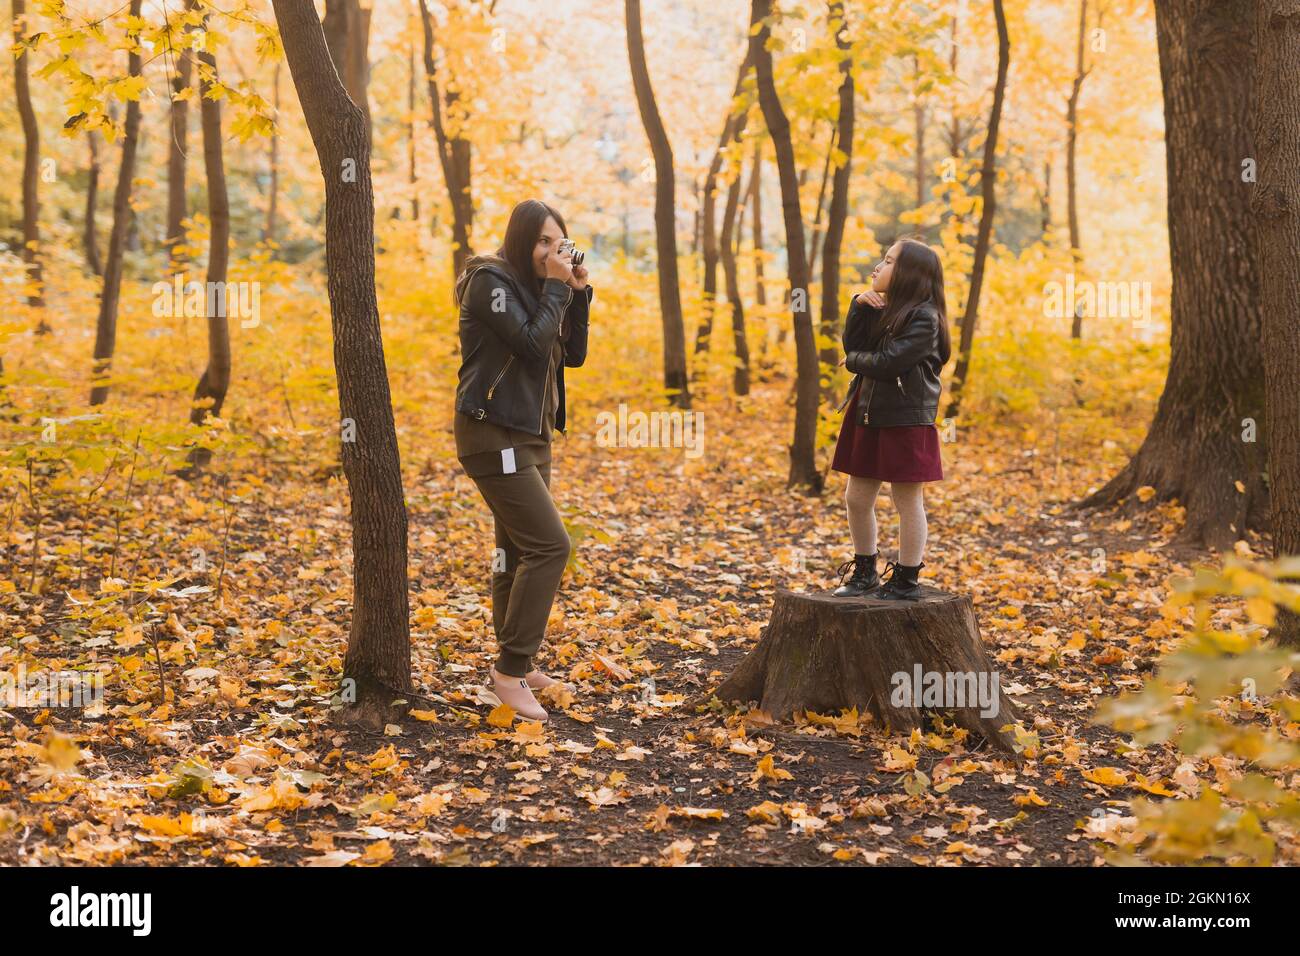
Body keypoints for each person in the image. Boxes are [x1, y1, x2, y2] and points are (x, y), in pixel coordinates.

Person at [452, 199, 593, 721]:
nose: (550, 251)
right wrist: (556, 287)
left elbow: (570, 355)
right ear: (519, 241)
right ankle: (509, 672)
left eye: (558, 242)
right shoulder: (489, 281)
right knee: (550, 546)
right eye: (541, 242)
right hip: (493, 433)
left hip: (532, 436)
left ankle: (517, 661)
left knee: (511, 553)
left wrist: (576, 294)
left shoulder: (542, 291)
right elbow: (533, 346)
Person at [830, 237, 951, 600]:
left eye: (887, 261)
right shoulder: (882, 309)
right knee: (856, 497)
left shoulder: (925, 317)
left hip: (905, 418)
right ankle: (865, 570)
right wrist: (858, 308)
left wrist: (853, 362)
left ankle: (907, 578)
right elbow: (854, 346)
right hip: (869, 412)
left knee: (907, 500)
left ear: (909, 273)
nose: (877, 268)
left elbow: (887, 363)